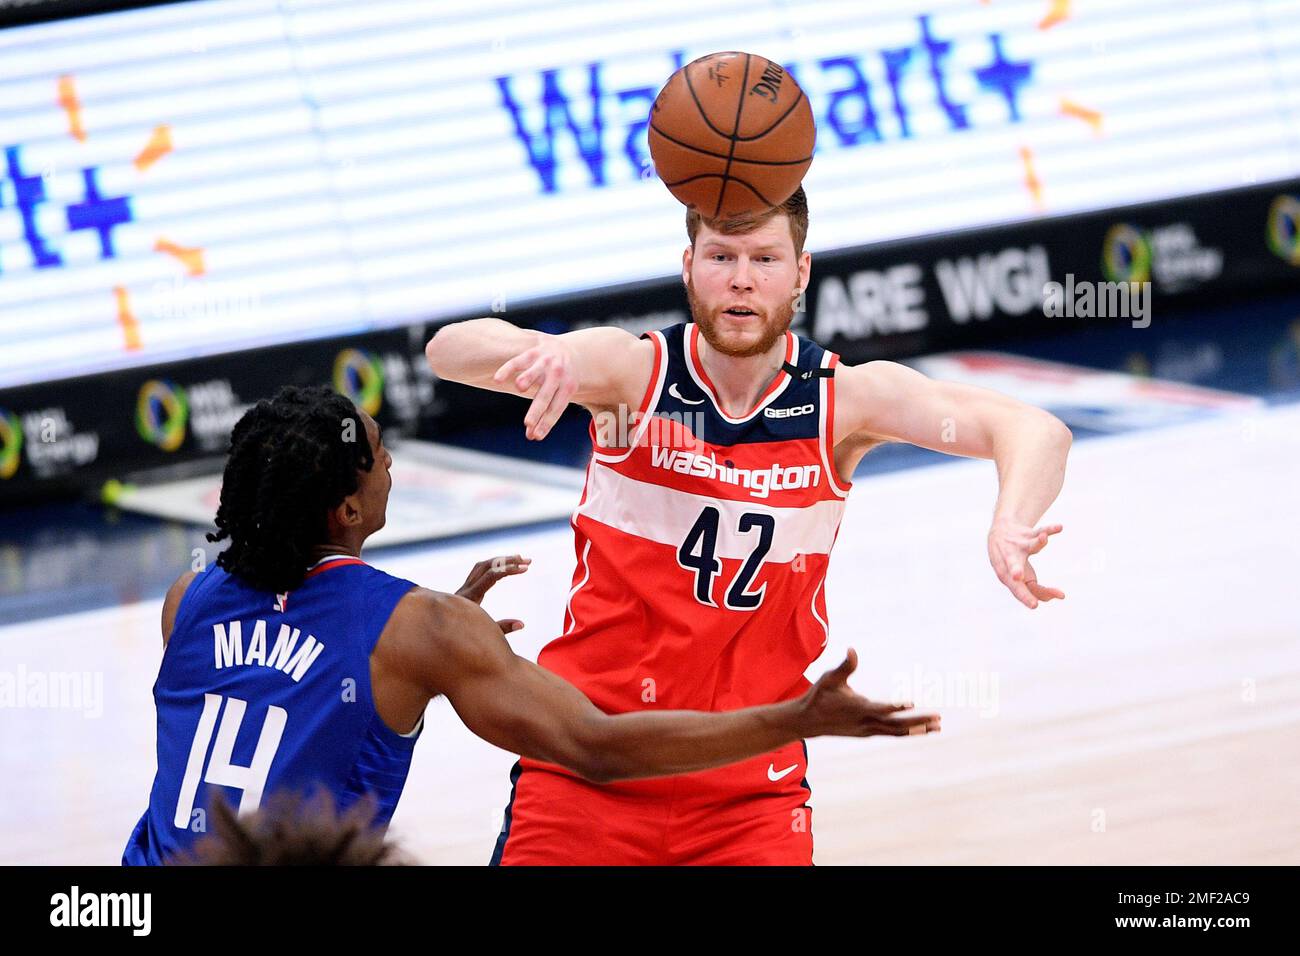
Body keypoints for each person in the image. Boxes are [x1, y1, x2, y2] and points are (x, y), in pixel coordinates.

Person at [424, 186, 1071, 865]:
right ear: (688, 266)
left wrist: (1011, 521)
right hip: (588, 765)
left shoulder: (843, 401)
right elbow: (447, 349)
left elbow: (1034, 429)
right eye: (720, 256)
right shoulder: (631, 374)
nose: (740, 278)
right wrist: (543, 353)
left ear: (801, 273)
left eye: (764, 258)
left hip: (747, 795)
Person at [122, 384, 939, 866]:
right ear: (347, 507)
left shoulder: (184, 600)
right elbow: (600, 749)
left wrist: (421, 649)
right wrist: (792, 719)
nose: (392, 464)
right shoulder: (419, 631)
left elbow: (279, 681)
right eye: (379, 455)